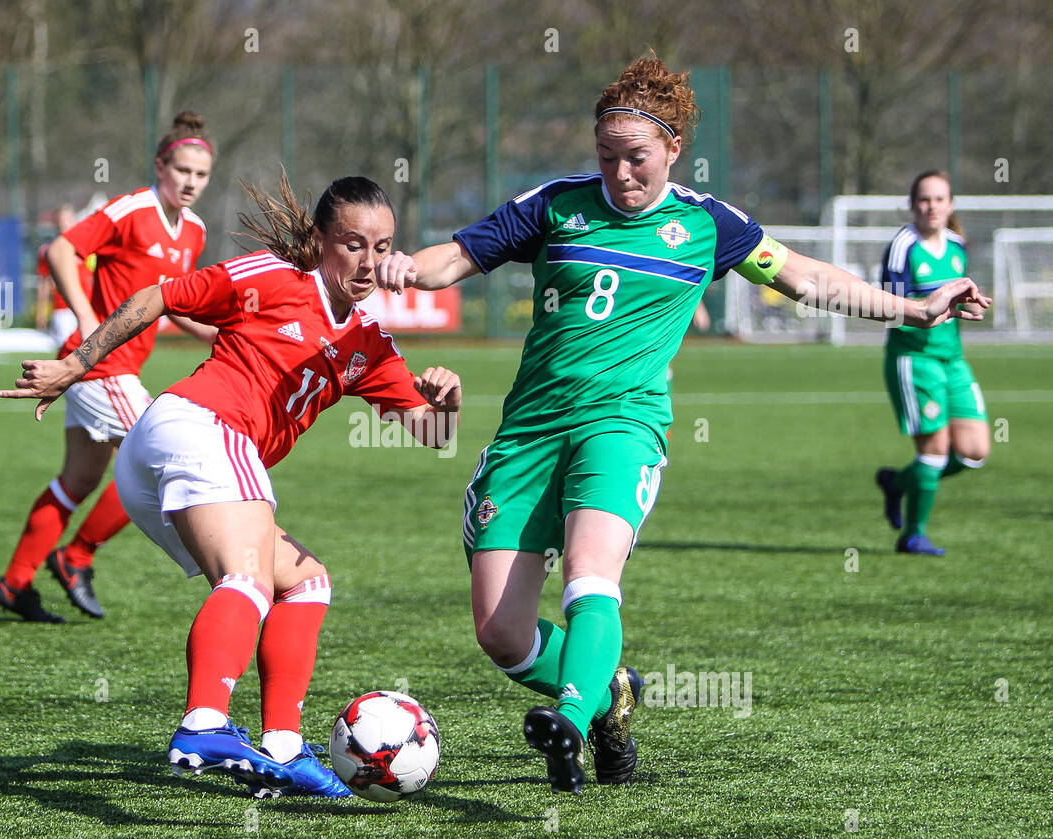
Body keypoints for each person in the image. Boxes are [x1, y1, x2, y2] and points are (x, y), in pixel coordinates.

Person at [375, 55, 990, 794]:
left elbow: (807, 279)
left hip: (622, 424)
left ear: (672, 149)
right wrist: (407, 267)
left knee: (589, 574)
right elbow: (456, 258)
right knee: (500, 635)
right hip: (530, 433)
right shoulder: (556, 204)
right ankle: (610, 697)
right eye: (607, 157)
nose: (620, 173)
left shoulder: (708, 225)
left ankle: (572, 715)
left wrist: (916, 307)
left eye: (636, 158)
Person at [0, 175, 463, 798]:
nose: (369, 262)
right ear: (321, 239)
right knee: (246, 577)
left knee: (304, 581)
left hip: (178, 457)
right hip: (198, 425)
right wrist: (78, 364)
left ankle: (282, 747)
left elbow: (433, 435)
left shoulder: (368, 345)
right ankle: (204, 724)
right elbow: (160, 296)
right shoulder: (274, 278)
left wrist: (449, 402)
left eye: (382, 248)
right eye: (353, 244)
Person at [0, 110, 218, 624]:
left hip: (113, 366)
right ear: (160, 166)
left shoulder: (195, 230)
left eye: (201, 175)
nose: (191, 183)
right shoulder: (133, 209)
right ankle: (76, 558)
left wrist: (213, 332)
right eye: (182, 170)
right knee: (160, 459)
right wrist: (88, 317)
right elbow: (62, 250)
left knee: (77, 480)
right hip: (100, 365)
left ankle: (15, 582)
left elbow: (171, 301)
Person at [875, 171, 990, 556]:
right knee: (934, 450)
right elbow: (887, 308)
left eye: (939, 199)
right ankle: (912, 535)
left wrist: (969, 302)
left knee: (973, 452)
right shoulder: (902, 247)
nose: (932, 207)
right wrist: (923, 310)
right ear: (913, 205)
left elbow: (958, 298)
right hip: (914, 358)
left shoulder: (958, 247)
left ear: (950, 204)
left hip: (952, 360)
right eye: (924, 200)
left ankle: (898, 484)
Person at [35, 203, 94, 346]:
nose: (64, 224)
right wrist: (41, 314)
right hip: (63, 310)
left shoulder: (88, 246)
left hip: (88, 308)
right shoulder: (48, 250)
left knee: (92, 354)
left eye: (67, 219)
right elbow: (44, 284)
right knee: (68, 354)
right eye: (61, 220)